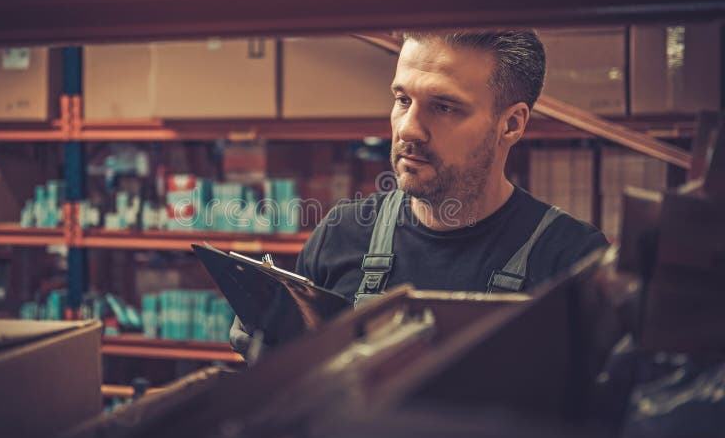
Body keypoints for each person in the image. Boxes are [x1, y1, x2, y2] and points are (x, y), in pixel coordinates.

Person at [231, 30, 609, 356]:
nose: (408, 130)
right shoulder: (341, 234)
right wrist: (280, 364)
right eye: (402, 100)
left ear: (510, 124)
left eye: (443, 107)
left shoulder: (571, 259)